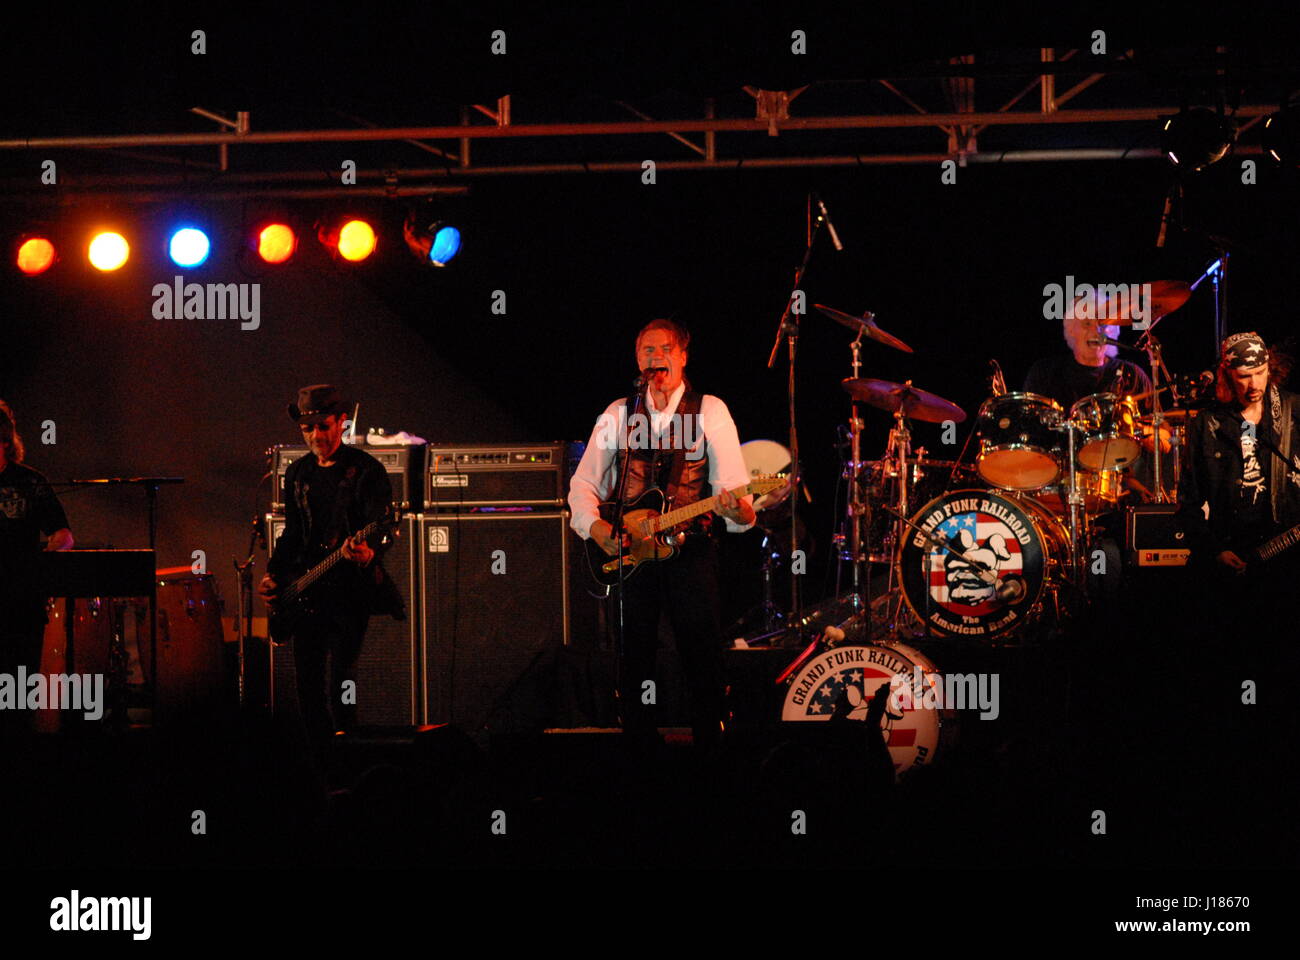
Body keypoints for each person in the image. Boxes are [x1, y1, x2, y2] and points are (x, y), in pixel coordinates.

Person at [568, 319, 755, 756]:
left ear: (684, 356)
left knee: (700, 653)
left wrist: (738, 510)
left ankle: (712, 748)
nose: (657, 357)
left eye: (666, 349)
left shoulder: (710, 410)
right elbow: (582, 485)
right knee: (634, 656)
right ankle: (639, 750)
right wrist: (596, 528)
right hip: (631, 552)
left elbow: (736, 493)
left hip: (692, 549)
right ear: (638, 360)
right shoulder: (618, 414)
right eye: (648, 351)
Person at [258, 385, 394, 750]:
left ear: (341, 423)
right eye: (308, 429)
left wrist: (368, 553)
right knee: (308, 681)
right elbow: (293, 532)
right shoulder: (298, 473)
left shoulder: (367, 471)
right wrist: (274, 574)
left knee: (342, 679)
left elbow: (380, 528)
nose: (316, 436)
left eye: (323, 426)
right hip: (305, 589)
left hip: (349, 590)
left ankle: (349, 746)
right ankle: (320, 756)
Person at [1177, 333, 1300, 577]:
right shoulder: (1208, 423)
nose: (1254, 384)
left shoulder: (1293, 411)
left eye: (1260, 372)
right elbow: (1188, 505)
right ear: (1228, 376)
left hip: (1288, 556)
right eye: (1244, 376)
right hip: (1231, 556)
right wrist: (1214, 550)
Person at [0, 400, 74, 706]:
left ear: (4, 438)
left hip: (21, 603)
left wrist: (40, 567)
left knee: (17, 693)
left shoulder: (31, 482)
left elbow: (63, 535)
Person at [1024, 310, 1152, 409]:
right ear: (1071, 329)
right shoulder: (1044, 373)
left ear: (1111, 332)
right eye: (1087, 323)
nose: (1096, 331)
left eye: (1102, 325)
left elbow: (1159, 432)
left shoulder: (1133, 376)